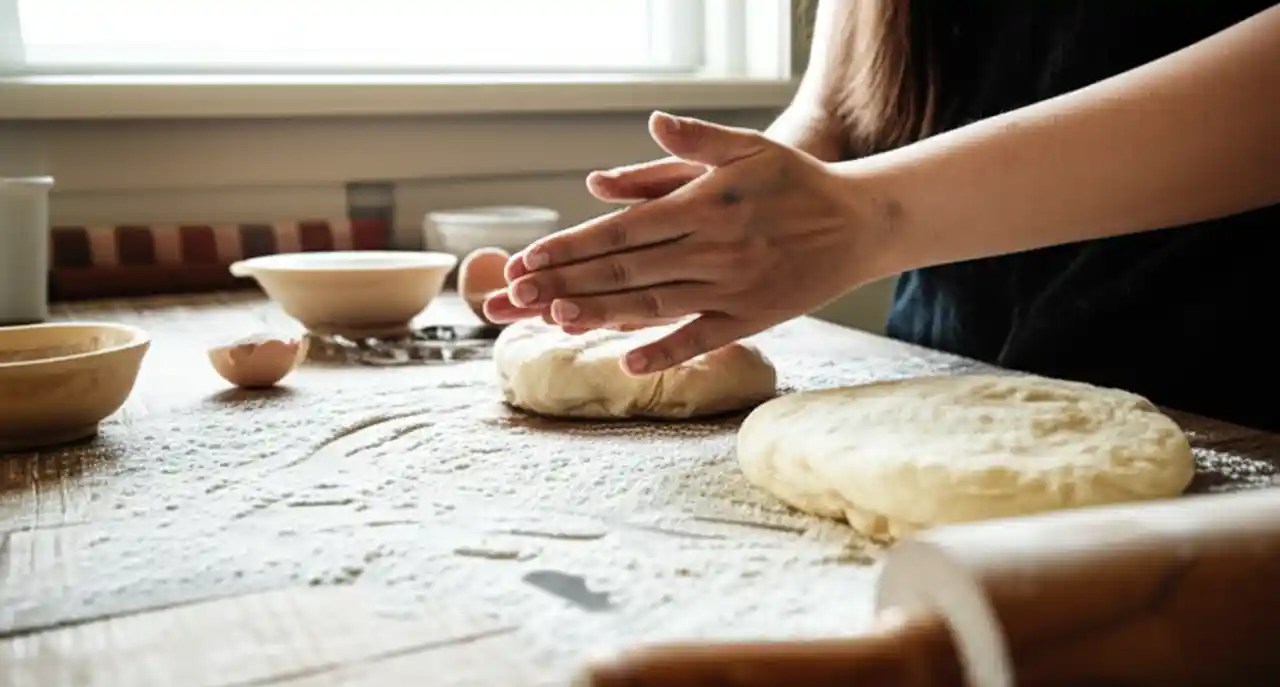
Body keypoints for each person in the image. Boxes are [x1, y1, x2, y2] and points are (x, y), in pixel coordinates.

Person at [484, 0, 1280, 431]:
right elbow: (835, 103)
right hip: (942, 392)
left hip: (1218, 388)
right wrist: (726, 211)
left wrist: (862, 216)